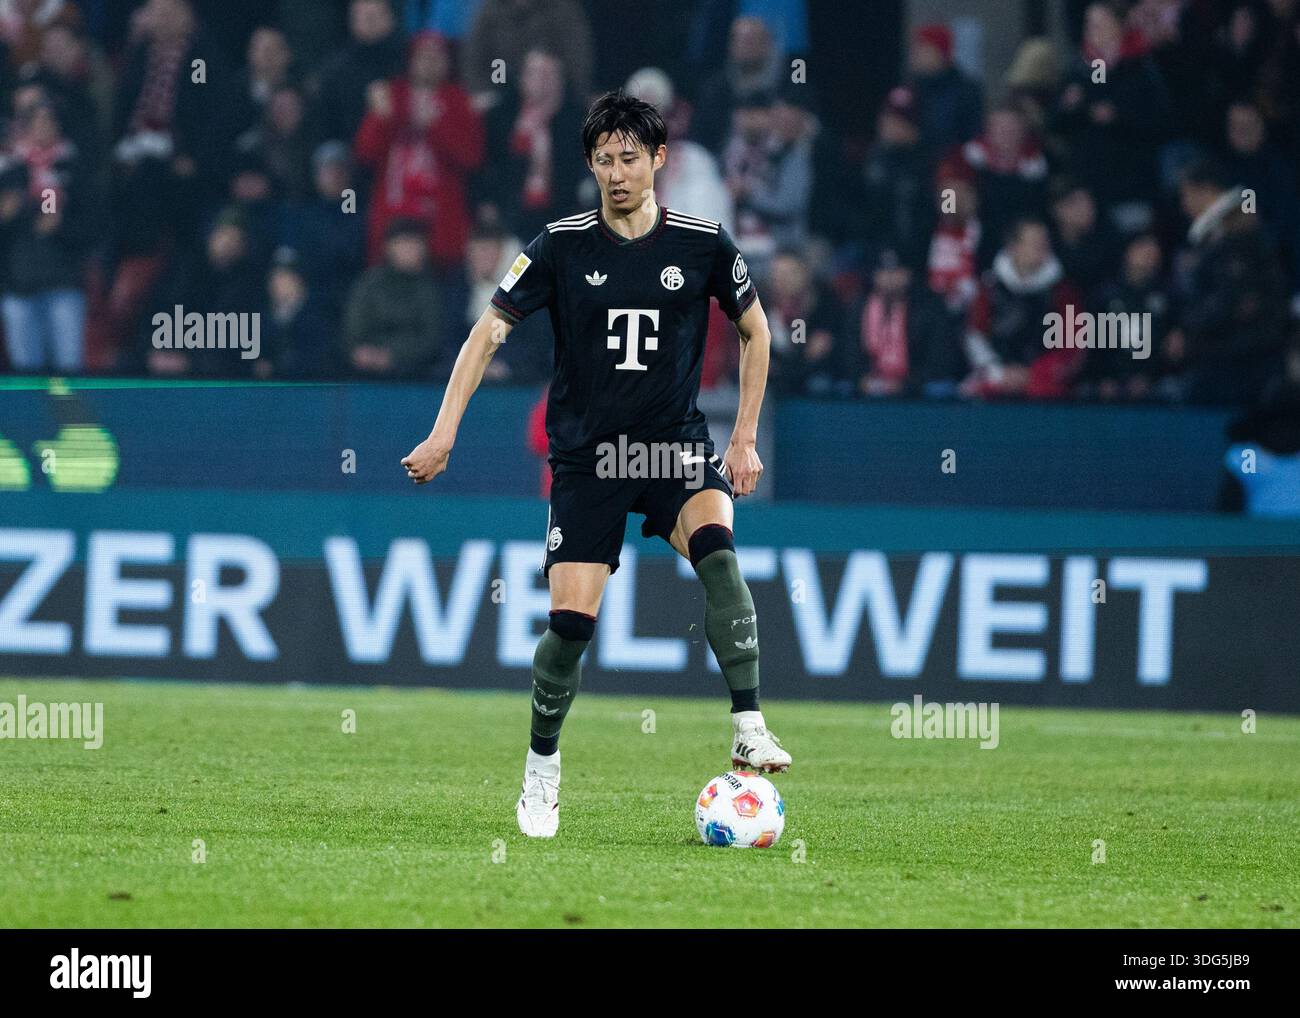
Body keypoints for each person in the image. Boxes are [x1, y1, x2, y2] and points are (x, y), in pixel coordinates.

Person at [400, 89, 791, 839]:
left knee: (718, 552)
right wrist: (444, 432)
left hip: (673, 446)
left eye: (630, 158)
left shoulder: (704, 243)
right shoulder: (560, 245)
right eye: (604, 160)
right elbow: (486, 334)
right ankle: (542, 767)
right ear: (590, 164)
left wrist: (742, 439)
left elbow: (757, 331)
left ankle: (748, 724)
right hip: (588, 459)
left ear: (659, 160)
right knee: (571, 627)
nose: (617, 173)